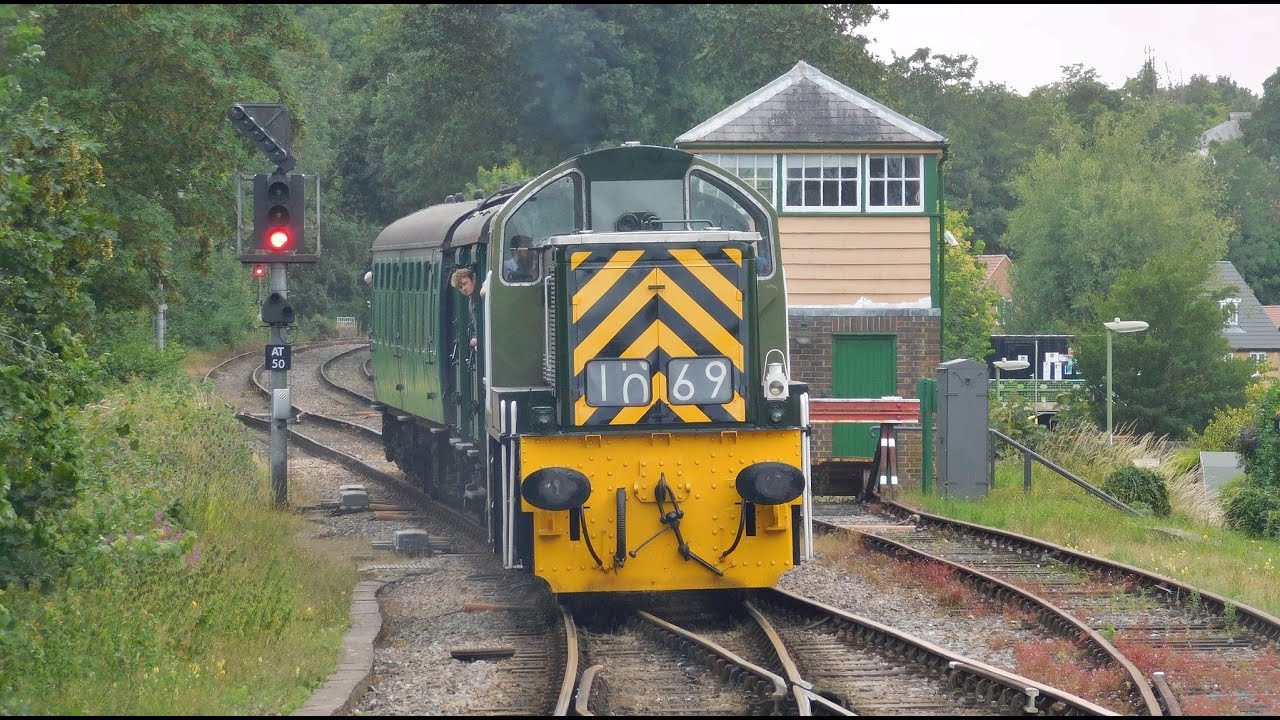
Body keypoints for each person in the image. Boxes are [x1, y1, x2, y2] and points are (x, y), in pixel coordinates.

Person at [450, 267, 479, 349]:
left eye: (465, 283)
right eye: (460, 287)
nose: (464, 288)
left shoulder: (480, 298)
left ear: (473, 279)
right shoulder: (471, 302)